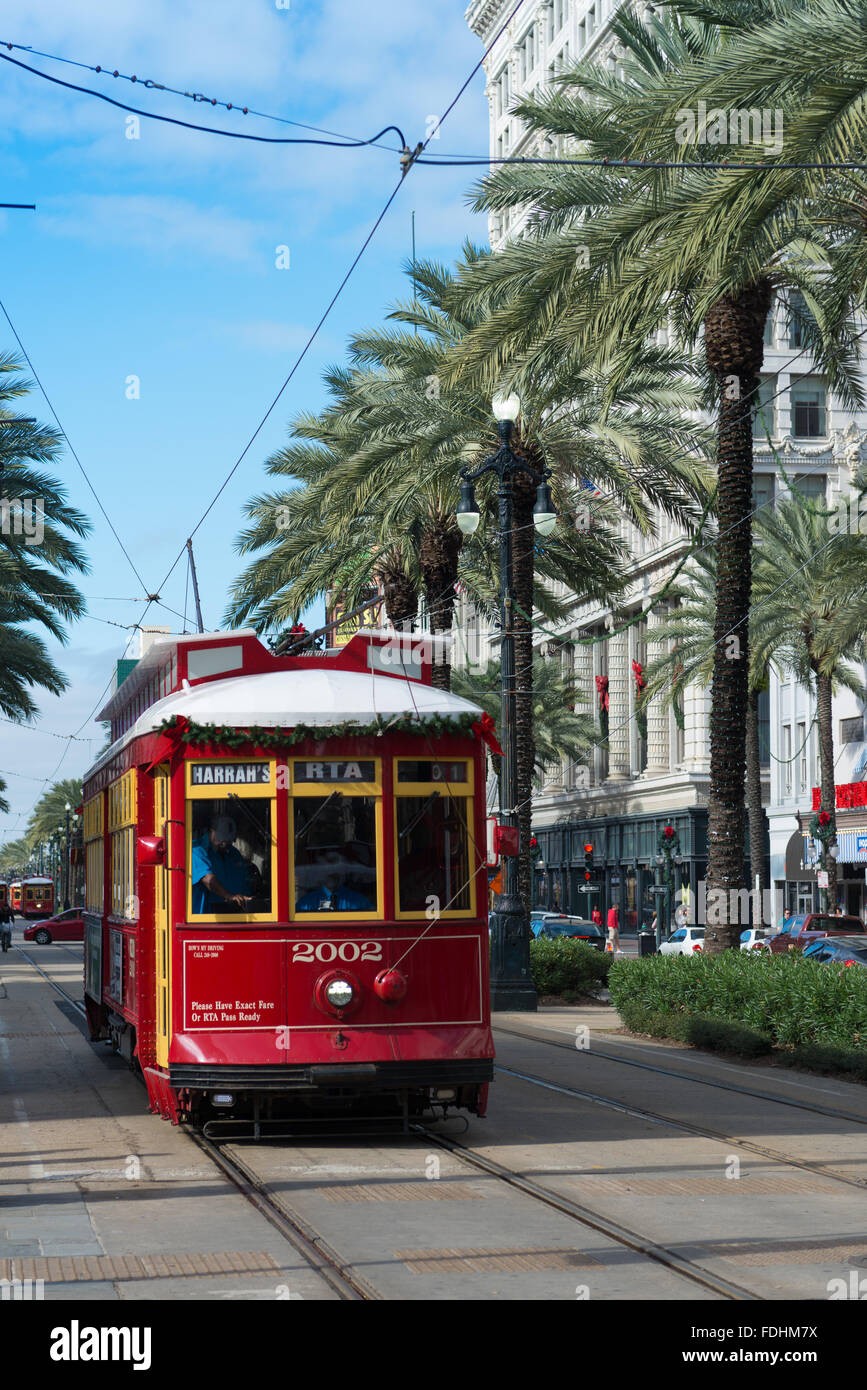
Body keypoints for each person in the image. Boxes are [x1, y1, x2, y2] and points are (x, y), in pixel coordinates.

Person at [190, 815, 254, 914]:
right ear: (212, 832)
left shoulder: (234, 853)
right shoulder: (196, 850)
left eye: (229, 842)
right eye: (222, 841)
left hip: (235, 915)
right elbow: (207, 879)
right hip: (203, 918)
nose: (226, 845)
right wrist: (229, 896)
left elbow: (244, 881)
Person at [296, 848, 373, 912]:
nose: (332, 871)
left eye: (337, 868)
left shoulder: (361, 902)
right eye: (328, 867)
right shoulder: (306, 903)